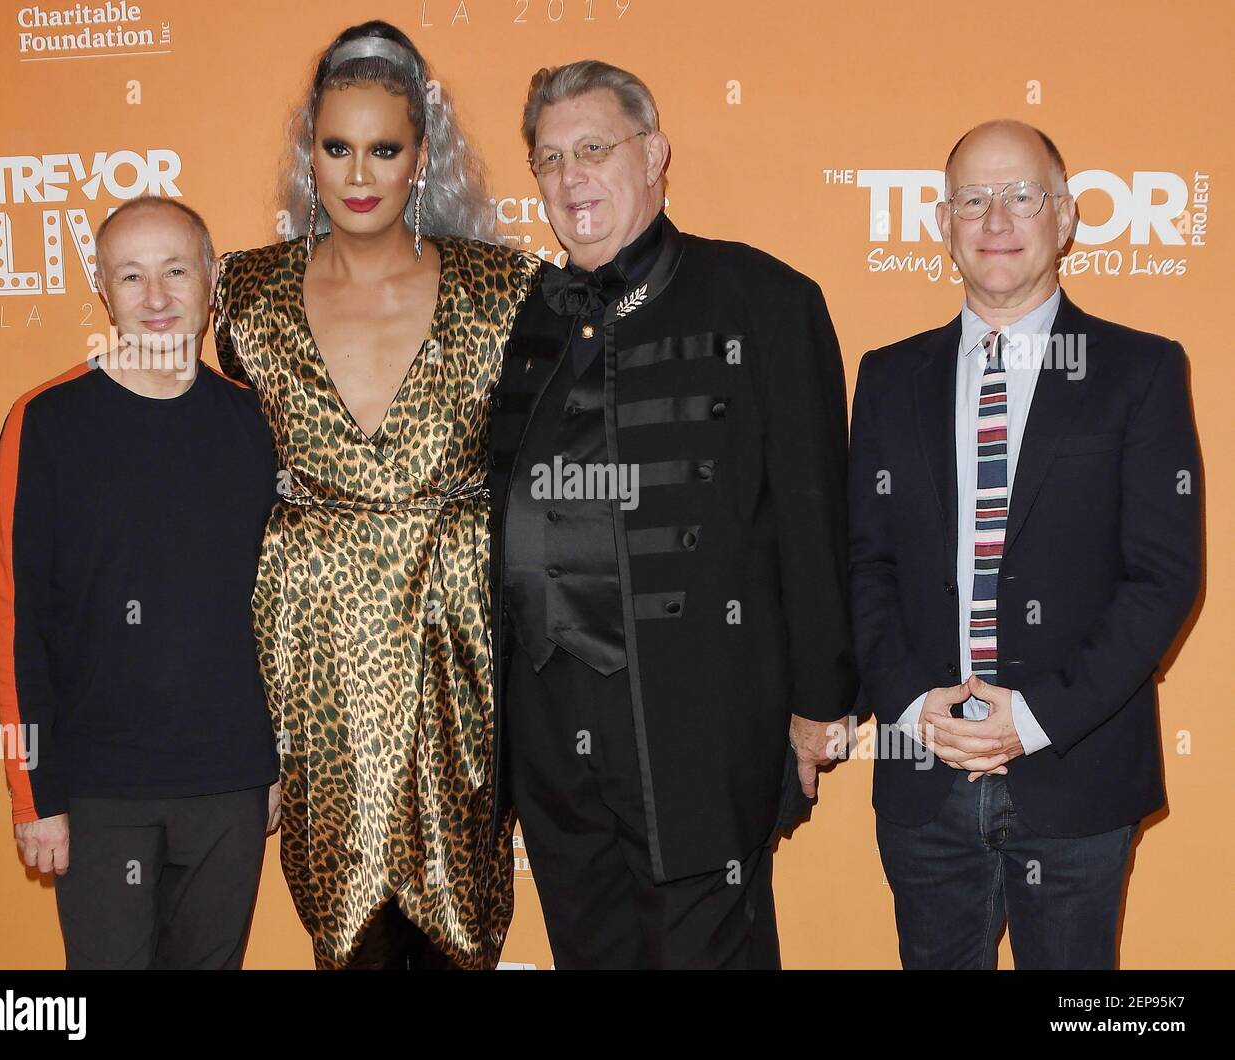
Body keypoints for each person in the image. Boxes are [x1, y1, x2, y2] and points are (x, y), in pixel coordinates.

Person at [486, 60, 857, 969]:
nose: (570, 176)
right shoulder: (516, 319)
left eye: (594, 148)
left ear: (654, 154)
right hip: (549, 729)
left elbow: (814, 518)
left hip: (701, 718)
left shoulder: (765, 300)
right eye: (550, 158)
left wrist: (819, 705)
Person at [212, 20, 541, 970]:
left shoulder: (506, 290)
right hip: (312, 650)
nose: (359, 174)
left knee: (459, 923)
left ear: (422, 157)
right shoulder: (244, 295)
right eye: (337, 147)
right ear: (308, 154)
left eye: (385, 150)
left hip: (458, 642)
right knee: (343, 925)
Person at [848, 120, 1202, 969]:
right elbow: (863, 564)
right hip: (924, 778)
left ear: (1067, 216)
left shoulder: (1140, 371)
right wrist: (911, 708)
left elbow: (1162, 577)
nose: (996, 220)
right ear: (943, 223)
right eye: (973, 199)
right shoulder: (888, 377)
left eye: (1022, 196)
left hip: (1078, 773)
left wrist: (1036, 718)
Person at [0, 195, 280, 969]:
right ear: (103, 288)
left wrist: (276, 763)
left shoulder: (258, 425)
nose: (156, 298)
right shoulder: (45, 423)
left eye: (176, 271)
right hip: (97, 792)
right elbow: (17, 624)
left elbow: (285, 615)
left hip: (229, 785)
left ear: (210, 277)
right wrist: (35, 796)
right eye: (131, 275)